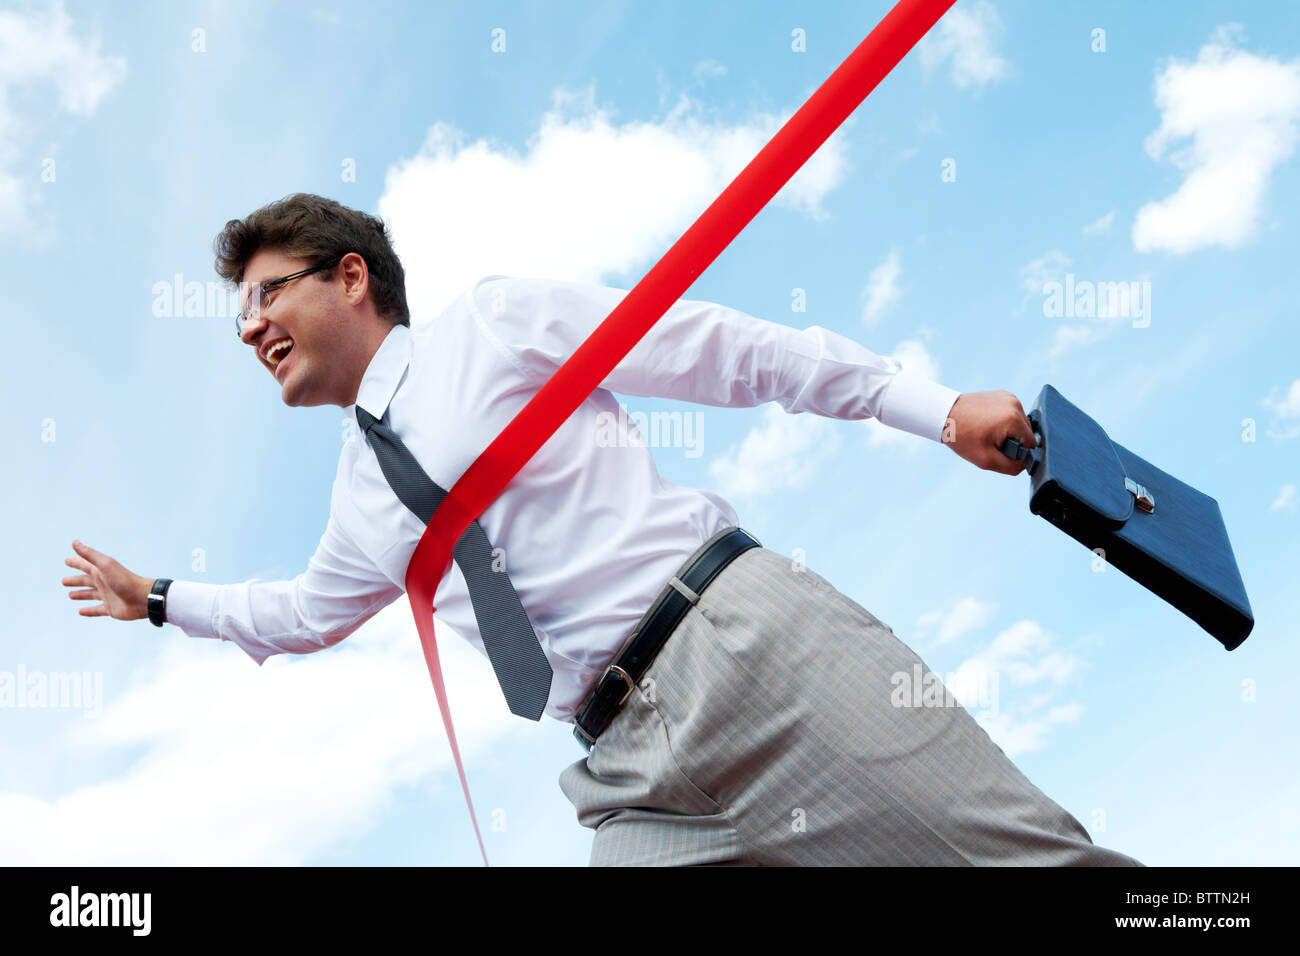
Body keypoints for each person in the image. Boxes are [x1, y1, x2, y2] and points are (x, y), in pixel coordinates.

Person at [62, 192, 1142, 866]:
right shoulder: (358, 499)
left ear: (351, 278)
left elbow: (718, 348)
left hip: (741, 645)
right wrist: (159, 597)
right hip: (629, 771)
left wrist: (934, 407)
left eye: (263, 293)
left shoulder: (491, 323)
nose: (248, 326)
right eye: (237, 314)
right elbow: (297, 612)